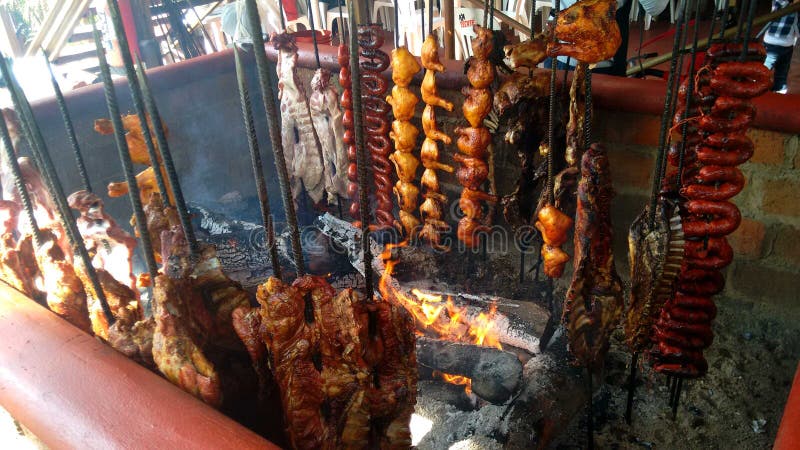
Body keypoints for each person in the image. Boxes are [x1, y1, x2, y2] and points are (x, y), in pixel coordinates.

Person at [763, 0, 799, 93]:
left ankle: (780, 88)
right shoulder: (780, 2)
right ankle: (759, 85)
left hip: (788, 43)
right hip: (772, 41)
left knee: (783, 70)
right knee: (766, 68)